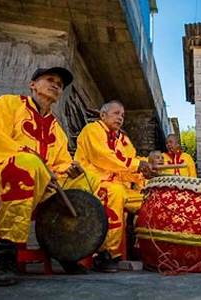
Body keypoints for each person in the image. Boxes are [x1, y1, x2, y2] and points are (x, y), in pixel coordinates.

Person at [0, 67, 101, 286]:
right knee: (26, 165)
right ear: (33, 84)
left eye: (59, 85)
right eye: (50, 80)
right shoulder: (8, 104)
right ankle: (4, 255)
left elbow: (58, 164)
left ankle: (65, 249)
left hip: (39, 183)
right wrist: (35, 161)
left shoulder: (56, 129)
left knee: (88, 178)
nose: (55, 86)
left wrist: (68, 168)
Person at [74, 100, 155, 272]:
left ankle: (149, 251)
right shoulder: (92, 130)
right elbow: (103, 158)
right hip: (92, 182)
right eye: (116, 113)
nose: (120, 118)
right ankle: (105, 254)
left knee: (151, 200)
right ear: (103, 115)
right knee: (115, 193)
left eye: (123, 115)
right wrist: (137, 166)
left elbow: (128, 166)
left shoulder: (123, 139)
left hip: (118, 185)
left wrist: (142, 172)